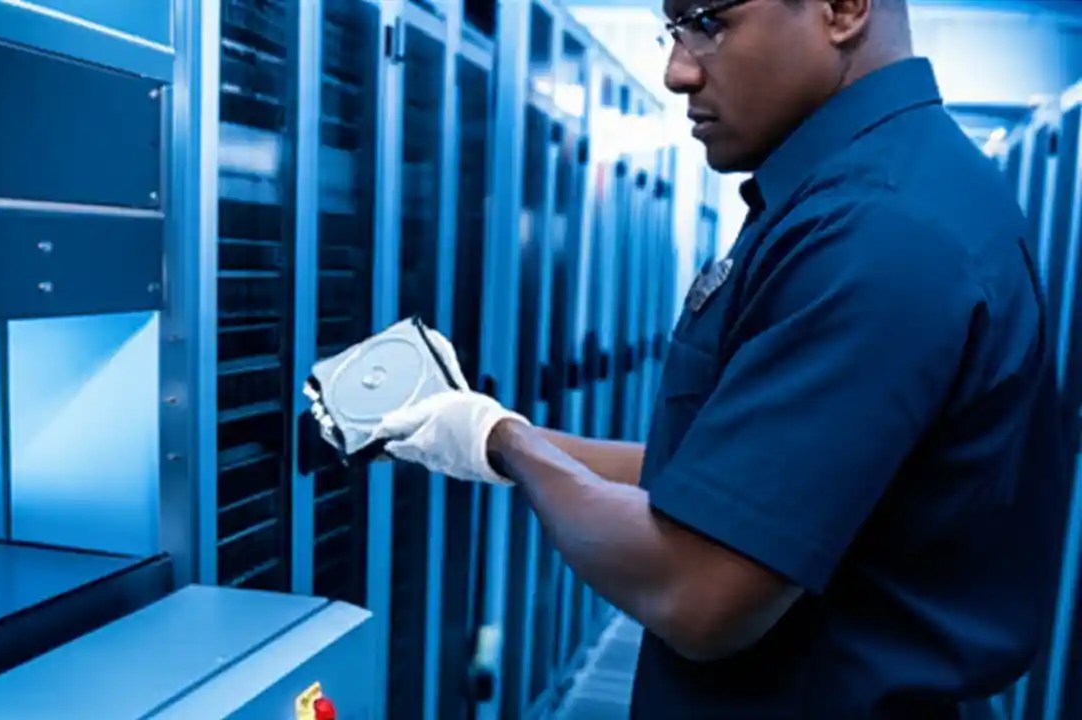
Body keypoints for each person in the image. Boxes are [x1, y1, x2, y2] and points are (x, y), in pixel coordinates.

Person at [363, 0, 1071, 717]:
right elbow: (716, 482)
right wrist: (472, 428)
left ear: (844, 9)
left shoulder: (878, 231)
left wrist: (504, 442)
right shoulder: (863, 196)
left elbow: (699, 590)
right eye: (673, 30)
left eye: (708, 21)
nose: (676, 72)